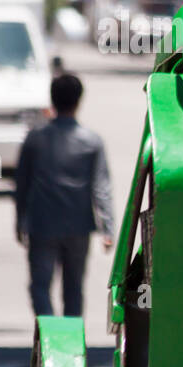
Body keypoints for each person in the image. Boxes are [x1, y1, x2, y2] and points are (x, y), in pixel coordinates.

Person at [15, 73, 114, 317]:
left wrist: (20, 221)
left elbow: (22, 184)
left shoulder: (35, 139)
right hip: (78, 226)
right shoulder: (92, 141)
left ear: (52, 100)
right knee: (74, 288)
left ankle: (49, 335)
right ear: (79, 101)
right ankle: (72, 342)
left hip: (42, 224)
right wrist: (108, 228)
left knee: (40, 285)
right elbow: (101, 187)